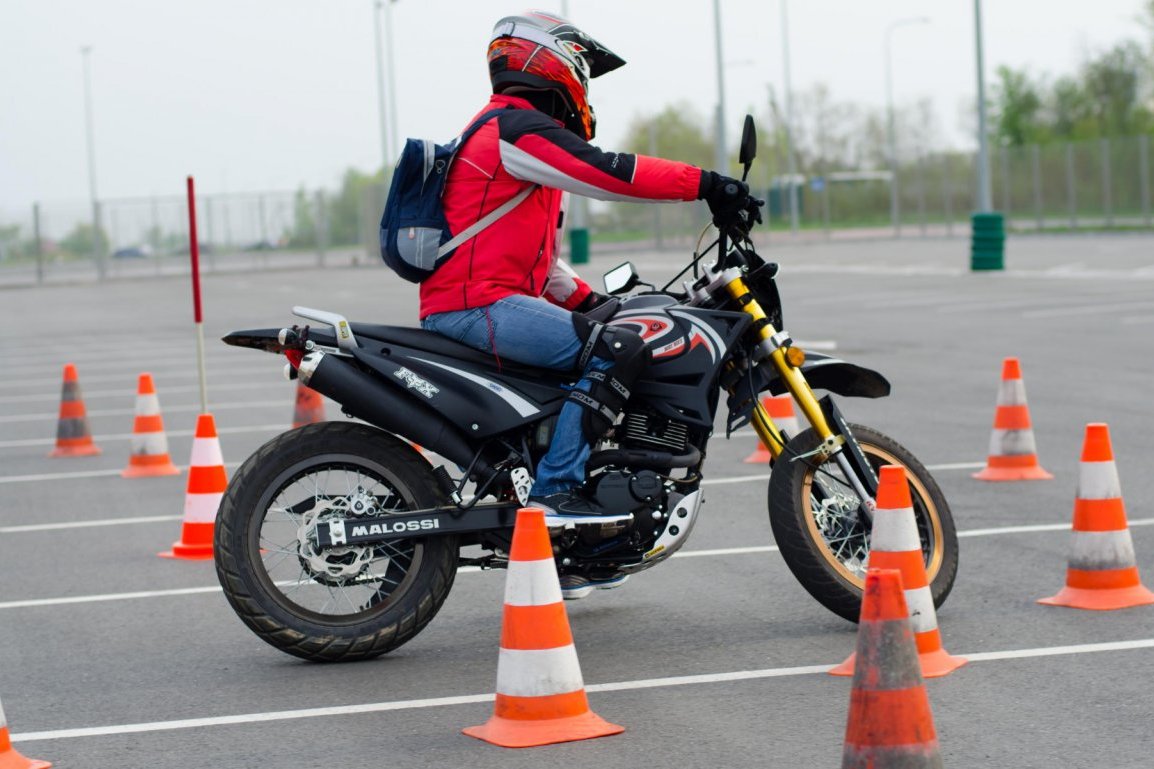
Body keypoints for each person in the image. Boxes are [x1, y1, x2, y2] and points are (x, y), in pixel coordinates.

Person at [419, 12, 756, 594]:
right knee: (620, 351)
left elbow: (539, 267)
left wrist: (598, 304)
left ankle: (576, 549)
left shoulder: (511, 139)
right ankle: (556, 495)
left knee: (612, 336)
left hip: (490, 301)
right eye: (584, 71)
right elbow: (608, 172)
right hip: (480, 308)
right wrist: (706, 183)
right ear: (554, 62)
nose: (586, 86)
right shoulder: (513, 128)